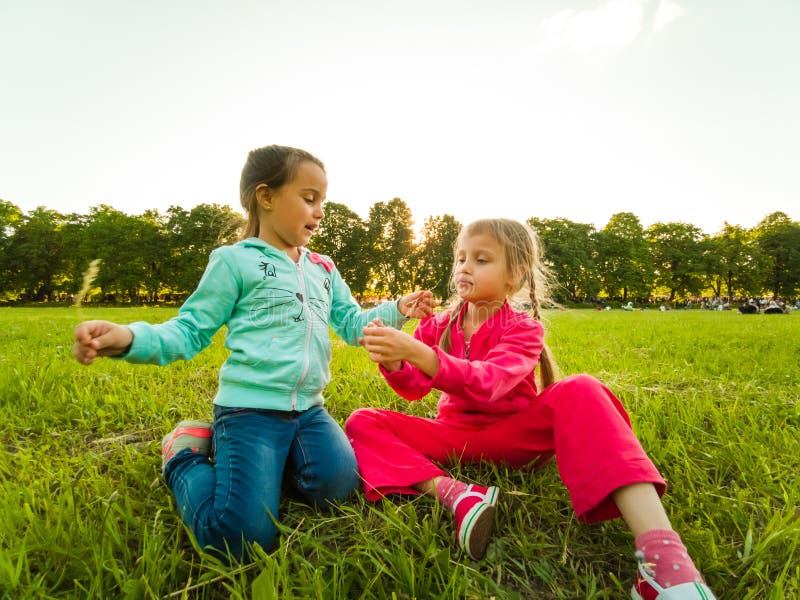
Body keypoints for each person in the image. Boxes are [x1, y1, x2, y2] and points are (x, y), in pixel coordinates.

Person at [72, 145, 434, 562]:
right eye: (309, 198)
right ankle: (185, 456)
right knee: (240, 539)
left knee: (337, 487)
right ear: (266, 196)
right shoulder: (233, 262)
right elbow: (188, 330)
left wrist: (397, 309)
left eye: (323, 202)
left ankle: (265, 468)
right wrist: (126, 337)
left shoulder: (323, 268)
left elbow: (353, 324)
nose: (318, 213)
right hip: (249, 413)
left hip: (310, 412)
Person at [346, 219, 716, 599]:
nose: (464, 267)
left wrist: (421, 353)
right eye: (460, 258)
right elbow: (413, 388)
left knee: (583, 388)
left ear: (515, 275)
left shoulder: (524, 328)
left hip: (515, 439)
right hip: (455, 437)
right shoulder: (438, 325)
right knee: (362, 420)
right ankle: (456, 494)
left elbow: (489, 382)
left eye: (481, 259)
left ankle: (664, 560)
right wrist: (393, 360)